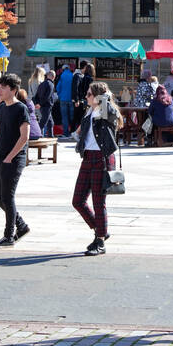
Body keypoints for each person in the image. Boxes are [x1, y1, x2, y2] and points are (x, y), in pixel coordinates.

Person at [0, 74, 32, 247]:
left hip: (15, 158)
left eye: (3, 87)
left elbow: (24, 137)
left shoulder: (21, 109)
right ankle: (21, 225)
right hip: (2, 157)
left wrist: (11, 157)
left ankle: (9, 236)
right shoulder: (2, 107)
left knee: (7, 196)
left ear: (13, 90)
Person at [74, 81, 122, 256]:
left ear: (98, 97)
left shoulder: (106, 111)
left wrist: (104, 99)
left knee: (98, 201)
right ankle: (101, 230)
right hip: (87, 157)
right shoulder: (89, 111)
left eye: (89, 94)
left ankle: (100, 241)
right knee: (77, 201)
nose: (86, 97)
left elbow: (111, 114)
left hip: (101, 158)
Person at [33, 67, 56, 138]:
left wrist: (37, 103)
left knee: (50, 122)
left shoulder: (42, 84)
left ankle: (51, 136)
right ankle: (35, 134)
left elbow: (36, 95)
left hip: (42, 105)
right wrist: (39, 104)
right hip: (46, 105)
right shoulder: (51, 84)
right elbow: (47, 96)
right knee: (43, 122)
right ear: (53, 77)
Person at [55, 63, 76, 137]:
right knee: (72, 116)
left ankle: (66, 132)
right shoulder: (72, 75)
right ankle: (73, 131)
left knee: (64, 117)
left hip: (63, 99)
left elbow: (58, 87)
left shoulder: (62, 76)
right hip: (71, 99)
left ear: (63, 69)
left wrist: (60, 95)